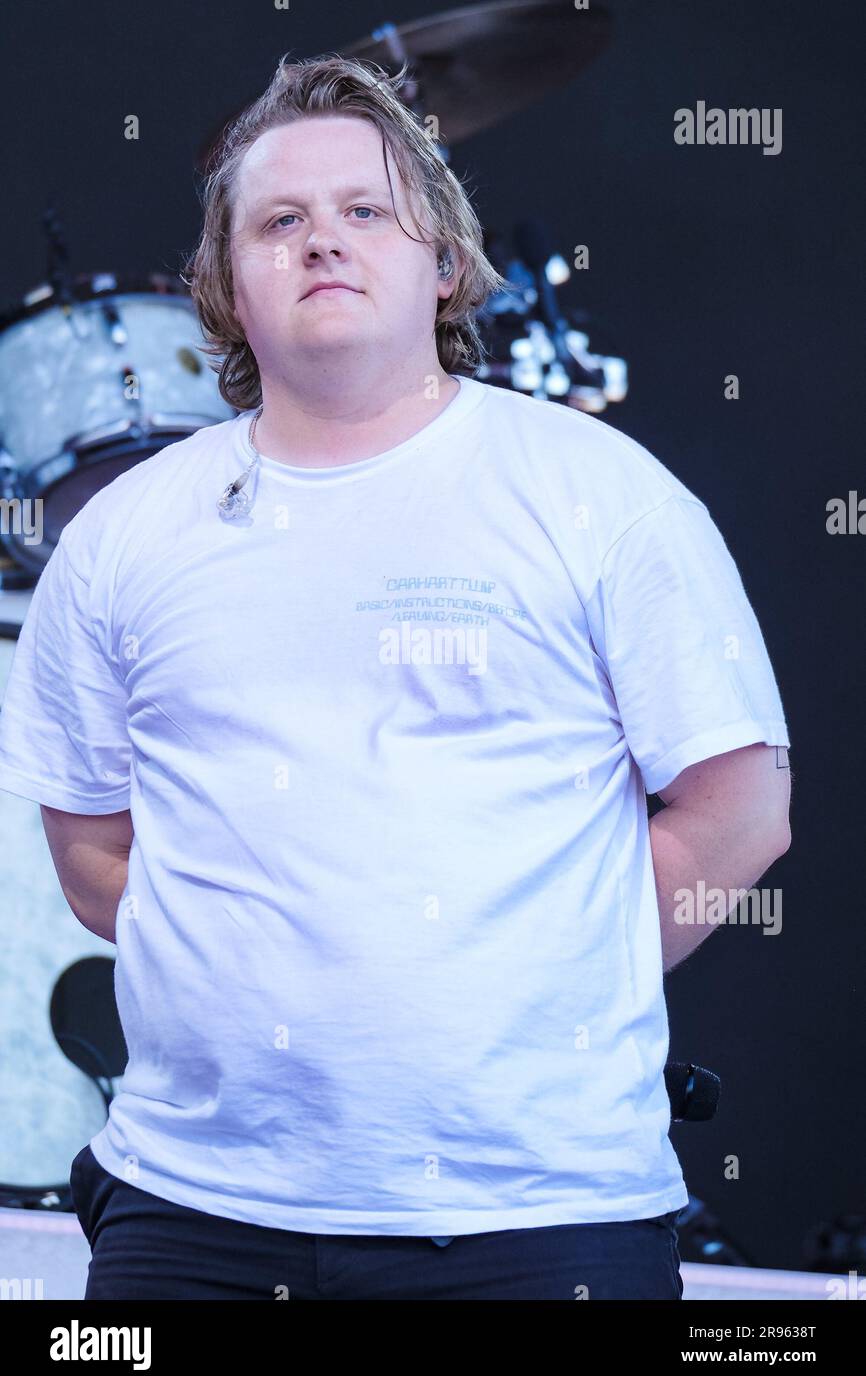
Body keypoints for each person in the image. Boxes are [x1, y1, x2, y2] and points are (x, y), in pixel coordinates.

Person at [0, 53, 792, 1301]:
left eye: (365, 211)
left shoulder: (602, 495)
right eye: (280, 220)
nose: (323, 240)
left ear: (443, 264)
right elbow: (94, 856)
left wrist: (534, 979)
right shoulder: (123, 534)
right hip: (191, 1222)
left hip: (541, 1221)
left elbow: (740, 811)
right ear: (224, 288)